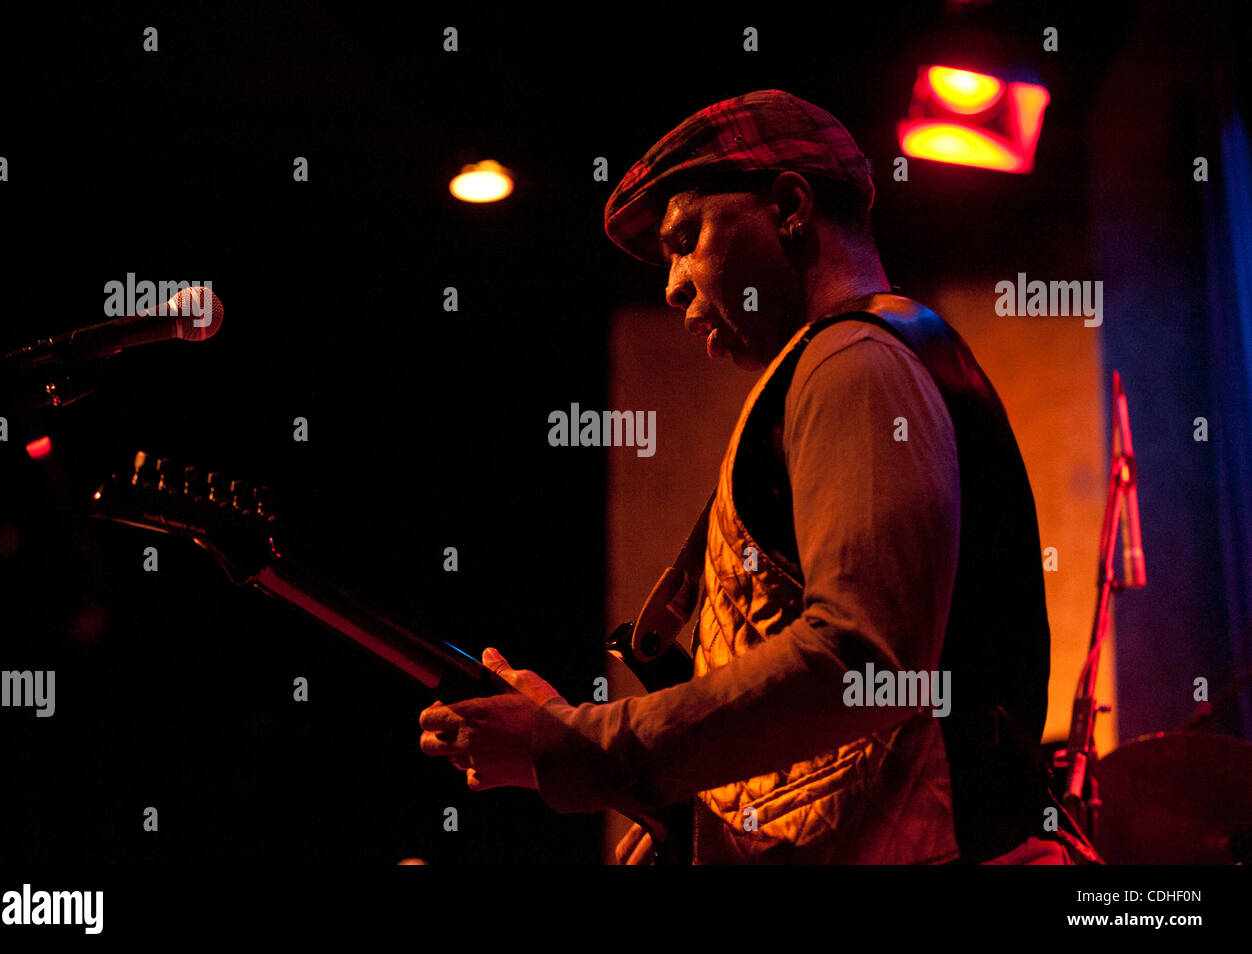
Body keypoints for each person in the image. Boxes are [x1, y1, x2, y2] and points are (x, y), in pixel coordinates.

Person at [419, 89, 1075, 864]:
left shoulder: (853, 361)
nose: (670, 286)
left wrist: (587, 744)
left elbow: (859, 662)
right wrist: (696, 817)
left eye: (685, 237)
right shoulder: (842, 367)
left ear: (791, 206)